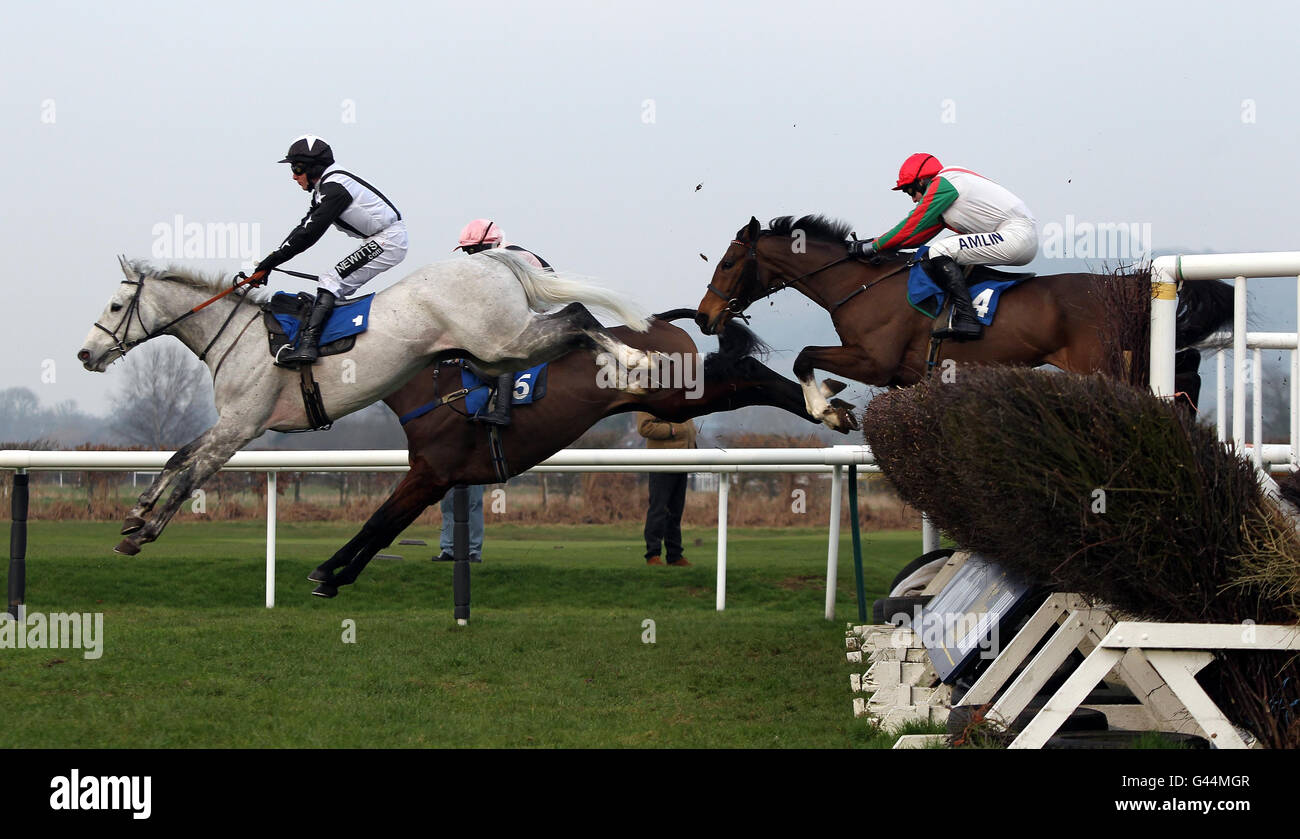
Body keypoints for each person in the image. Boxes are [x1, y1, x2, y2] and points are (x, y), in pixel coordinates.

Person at [254, 135, 409, 365]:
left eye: (297, 168)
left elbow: (309, 234)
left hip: (388, 239)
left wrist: (272, 262)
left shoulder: (334, 188)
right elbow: (303, 227)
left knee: (330, 281)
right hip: (382, 238)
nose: (294, 176)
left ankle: (308, 345)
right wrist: (269, 263)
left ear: (313, 167)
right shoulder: (324, 188)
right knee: (332, 281)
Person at [850, 153, 1038, 341]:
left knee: (940, 250)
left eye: (910, 191)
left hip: (1016, 235)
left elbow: (910, 225)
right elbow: (913, 238)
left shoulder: (944, 183)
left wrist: (872, 246)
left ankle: (967, 318)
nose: (914, 199)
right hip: (1014, 236)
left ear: (922, 181)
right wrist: (876, 243)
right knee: (938, 251)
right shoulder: (945, 195)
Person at [452, 219, 551, 427]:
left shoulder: (508, 256)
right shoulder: (497, 257)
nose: (470, 255)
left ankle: (502, 412)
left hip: (541, 309)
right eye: (467, 251)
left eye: (473, 249)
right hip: (530, 304)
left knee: (504, 348)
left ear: (490, 243)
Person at [637, 412, 697, 566]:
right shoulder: (651, 395)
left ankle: (675, 555)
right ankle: (653, 555)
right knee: (658, 510)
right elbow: (644, 427)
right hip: (662, 463)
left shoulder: (679, 398)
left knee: (675, 512)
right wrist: (671, 430)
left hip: (682, 461)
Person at [435, 485, 484, 564]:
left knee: (474, 503)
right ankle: (448, 549)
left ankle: (473, 551)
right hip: (449, 472)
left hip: (474, 472)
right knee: (447, 504)